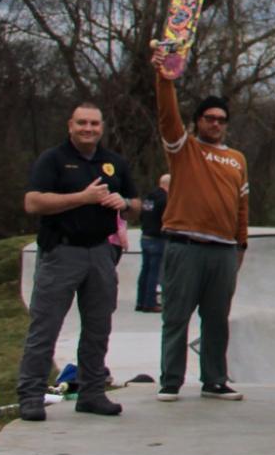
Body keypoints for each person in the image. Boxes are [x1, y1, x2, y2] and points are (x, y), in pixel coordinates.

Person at [17, 102, 143, 421]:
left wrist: (124, 203)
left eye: (94, 124)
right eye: (82, 123)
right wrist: (81, 199)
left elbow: (140, 205)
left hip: (101, 252)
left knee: (99, 326)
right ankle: (31, 394)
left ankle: (91, 392)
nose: (88, 129)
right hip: (61, 251)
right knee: (45, 326)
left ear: (102, 127)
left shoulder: (113, 163)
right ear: (70, 126)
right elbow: (33, 202)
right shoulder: (54, 160)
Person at [150, 48, 249, 403]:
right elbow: (167, 118)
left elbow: (242, 206)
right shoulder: (184, 149)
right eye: (209, 118)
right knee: (176, 316)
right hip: (185, 244)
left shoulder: (237, 159)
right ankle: (171, 380)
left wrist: (241, 245)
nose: (216, 124)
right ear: (198, 122)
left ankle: (214, 380)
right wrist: (165, 78)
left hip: (222, 250)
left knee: (217, 320)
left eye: (221, 119)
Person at [135, 174, 170, 313]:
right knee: (154, 272)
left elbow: (143, 215)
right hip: (158, 238)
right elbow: (168, 218)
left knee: (145, 270)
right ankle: (150, 303)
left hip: (145, 237)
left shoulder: (149, 197)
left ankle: (140, 301)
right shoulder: (165, 199)